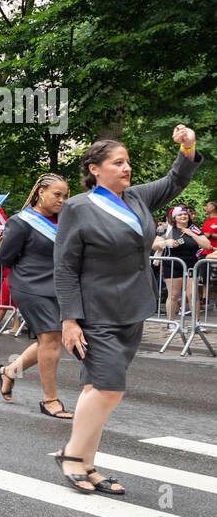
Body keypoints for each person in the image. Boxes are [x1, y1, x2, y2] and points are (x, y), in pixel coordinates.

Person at [53, 125, 201, 495]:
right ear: (95, 169)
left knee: (94, 388)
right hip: (95, 311)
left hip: (133, 307)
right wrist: (69, 319)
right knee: (108, 387)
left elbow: (173, 181)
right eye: (118, 163)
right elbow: (66, 266)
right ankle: (71, 455)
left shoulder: (135, 198)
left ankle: (87, 463)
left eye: (128, 162)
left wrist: (188, 147)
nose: (126, 168)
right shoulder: (77, 208)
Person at [0, 174, 72, 417]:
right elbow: (5, 257)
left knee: (50, 341)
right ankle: (50, 400)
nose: (62, 200)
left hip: (57, 286)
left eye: (65, 196)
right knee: (50, 338)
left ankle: (9, 371)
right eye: (57, 195)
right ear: (41, 193)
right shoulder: (21, 222)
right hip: (30, 285)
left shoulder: (63, 221)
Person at [154, 204, 211, 320]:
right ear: (174, 218)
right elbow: (154, 245)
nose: (183, 216)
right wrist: (165, 243)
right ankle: (171, 322)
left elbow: (207, 245)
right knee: (174, 295)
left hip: (191, 265)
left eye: (185, 214)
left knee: (192, 294)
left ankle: (196, 324)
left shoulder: (194, 229)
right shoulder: (167, 229)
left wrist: (191, 234)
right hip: (172, 264)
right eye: (180, 215)